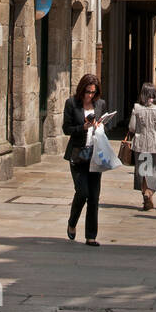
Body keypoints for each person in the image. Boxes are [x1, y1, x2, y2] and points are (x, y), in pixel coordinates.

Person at [62, 73, 108, 245]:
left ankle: (91, 236)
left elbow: (105, 127)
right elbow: (66, 128)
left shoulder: (100, 104)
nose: (90, 95)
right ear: (82, 90)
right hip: (78, 154)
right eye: (88, 92)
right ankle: (72, 222)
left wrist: (101, 126)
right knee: (82, 192)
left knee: (94, 196)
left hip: (96, 154)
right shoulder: (72, 104)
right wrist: (82, 127)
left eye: (93, 93)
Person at [128, 83, 156, 211]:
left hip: (140, 144)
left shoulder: (137, 108)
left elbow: (132, 127)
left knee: (143, 172)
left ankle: (146, 197)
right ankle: (149, 193)